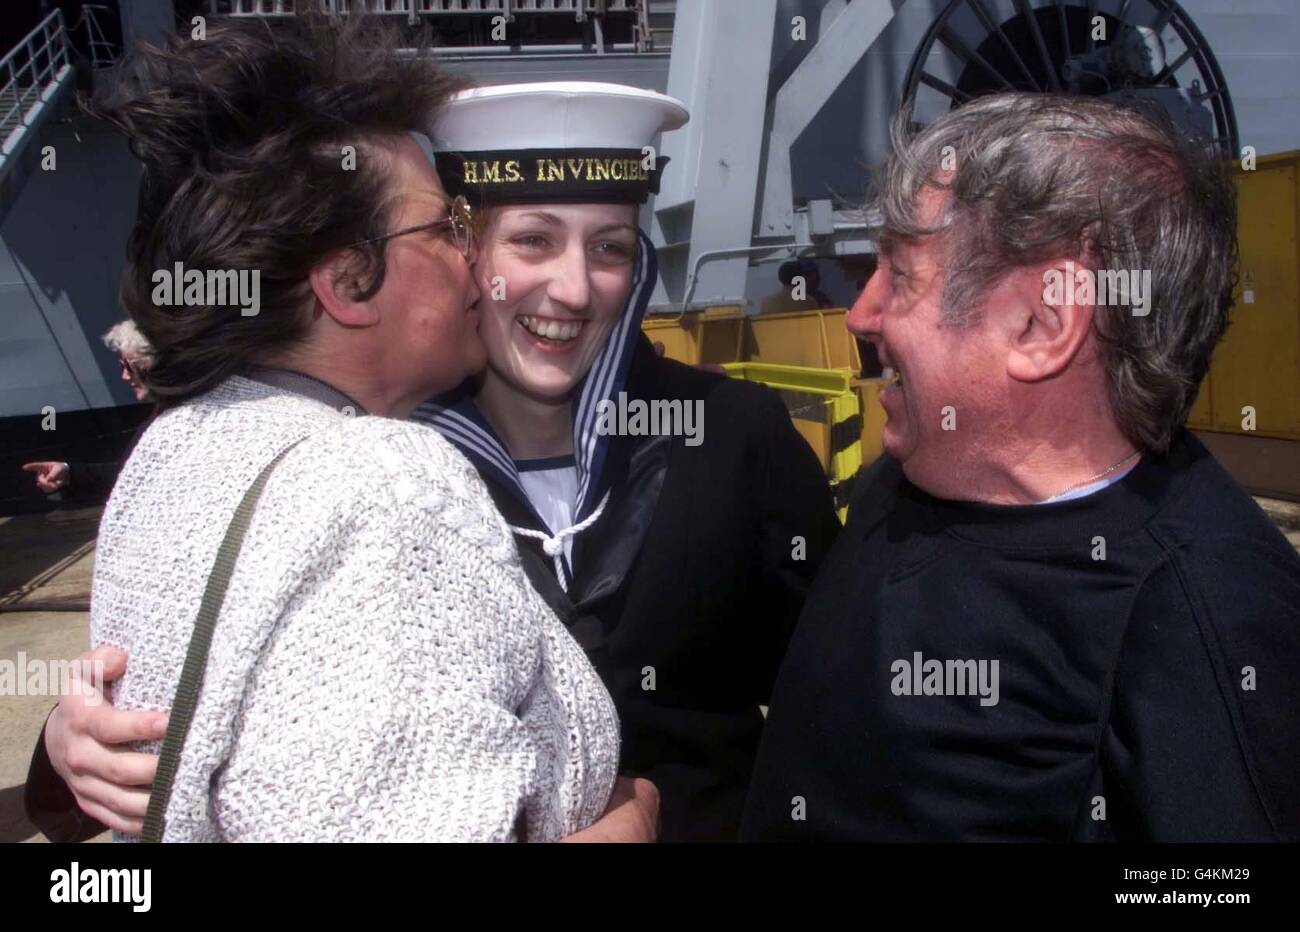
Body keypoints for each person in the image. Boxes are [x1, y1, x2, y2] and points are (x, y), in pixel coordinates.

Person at [33, 81, 838, 843]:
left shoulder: (736, 436)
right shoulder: (367, 466)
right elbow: (179, 720)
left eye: (611, 247)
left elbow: (833, 700)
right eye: (530, 239)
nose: (574, 288)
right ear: (462, 254)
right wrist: (70, 747)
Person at [25, 14, 633, 842]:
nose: (475, 260)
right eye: (449, 227)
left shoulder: (175, 444)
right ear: (349, 283)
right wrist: (633, 823)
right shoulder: (384, 479)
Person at [741, 93, 1300, 841]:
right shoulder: (907, 478)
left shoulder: (1207, 622)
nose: (860, 314)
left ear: (1042, 325)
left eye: (900, 275)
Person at [22, 320, 155, 497]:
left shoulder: (177, 422)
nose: (124, 376)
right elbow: (130, 476)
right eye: (122, 366)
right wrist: (69, 473)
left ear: (150, 364)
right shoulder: (158, 420)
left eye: (129, 366)